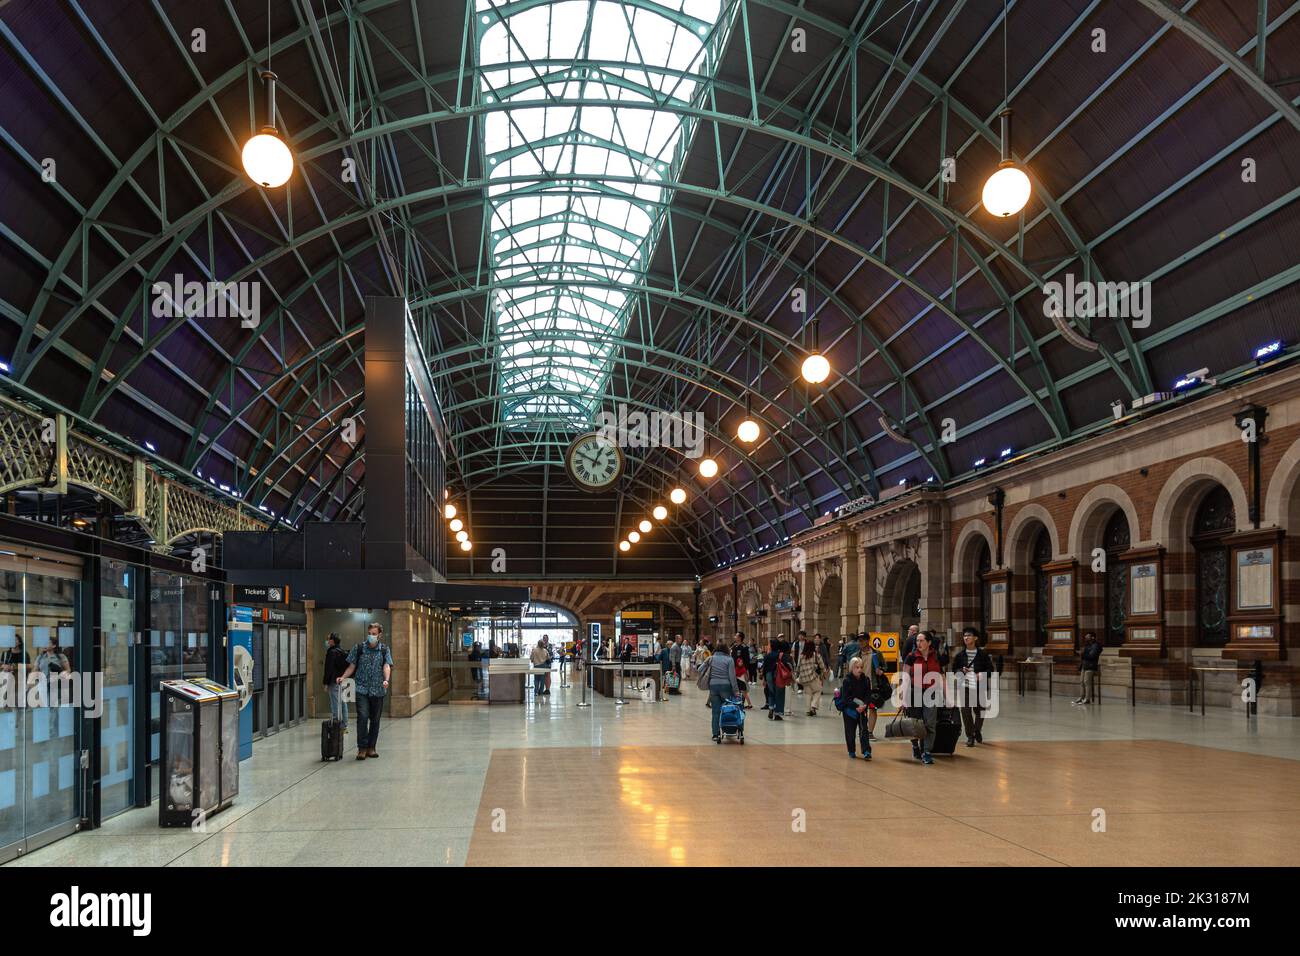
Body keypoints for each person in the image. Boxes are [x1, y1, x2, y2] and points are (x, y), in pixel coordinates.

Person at [336, 622, 393, 760]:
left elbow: (387, 665)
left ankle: (371, 747)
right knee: (362, 717)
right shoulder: (359, 648)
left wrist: (386, 679)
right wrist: (343, 677)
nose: (371, 636)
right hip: (361, 688)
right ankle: (362, 748)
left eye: (374, 634)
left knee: (375, 720)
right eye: (370, 633)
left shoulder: (384, 650)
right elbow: (352, 666)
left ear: (379, 635)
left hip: (378, 690)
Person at [901, 630, 942, 765]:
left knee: (929, 723)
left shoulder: (936, 657)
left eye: (921, 640)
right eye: (917, 641)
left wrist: (949, 696)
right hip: (914, 692)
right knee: (915, 723)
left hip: (932, 692)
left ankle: (927, 751)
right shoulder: (911, 657)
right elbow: (905, 677)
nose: (918, 643)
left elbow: (942, 676)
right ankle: (915, 746)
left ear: (929, 642)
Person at [949, 627, 994, 746]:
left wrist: (981, 674)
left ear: (975, 638)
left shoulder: (983, 654)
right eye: (964, 636)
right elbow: (954, 670)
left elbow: (991, 670)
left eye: (969, 635)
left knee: (980, 711)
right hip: (965, 686)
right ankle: (970, 736)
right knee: (965, 710)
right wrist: (961, 670)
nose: (966, 638)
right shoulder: (960, 655)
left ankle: (977, 730)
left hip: (980, 686)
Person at [838, 656, 873, 759]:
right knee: (850, 732)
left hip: (862, 708)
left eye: (861, 667)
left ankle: (866, 750)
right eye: (857, 667)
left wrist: (865, 705)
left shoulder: (865, 680)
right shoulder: (847, 681)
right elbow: (846, 698)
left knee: (864, 730)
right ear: (851, 668)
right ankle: (851, 750)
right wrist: (856, 707)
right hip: (850, 710)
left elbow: (868, 694)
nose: (859, 670)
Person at [704, 643, 740, 742]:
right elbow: (732, 677)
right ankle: (728, 730)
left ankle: (715, 734)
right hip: (726, 687)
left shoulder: (711, 658)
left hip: (713, 686)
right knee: (728, 709)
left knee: (715, 712)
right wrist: (736, 691)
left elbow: (700, 669)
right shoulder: (729, 659)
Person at [323, 632, 350, 732]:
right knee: (343, 703)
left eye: (328, 639)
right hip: (342, 680)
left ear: (332, 641)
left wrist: (326, 682)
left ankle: (336, 725)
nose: (327, 640)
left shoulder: (331, 652)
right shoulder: (341, 651)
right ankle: (344, 725)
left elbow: (328, 669)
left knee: (335, 704)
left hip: (333, 682)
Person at [796, 639, 828, 715]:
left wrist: (797, 673)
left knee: (808, 693)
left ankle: (808, 710)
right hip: (812, 677)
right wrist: (825, 672)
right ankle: (813, 705)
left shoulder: (801, 655)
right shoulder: (816, 655)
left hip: (803, 678)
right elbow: (822, 665)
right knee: (818, 690)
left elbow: (798, 667)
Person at [1074, 632, 1103, 705]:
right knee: (1081, 682)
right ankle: (1081, 697)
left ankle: (1087, 699)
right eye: (1086, 637)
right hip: (1084, 665)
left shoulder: (1096, 645)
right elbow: (1085, 654)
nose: (1086, 638)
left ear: (1092, 637)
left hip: (1091, 665)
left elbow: (1092, 656)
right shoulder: (1087, 645)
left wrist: (1082, 653)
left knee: (1087, 682)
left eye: (1087, 637)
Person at [764, 640, 788, 721]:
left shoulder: (768, 655)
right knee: (780, 694)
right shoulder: (781, 655)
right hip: (779, 676)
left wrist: (764, 679)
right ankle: (777, 713)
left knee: (771, 692)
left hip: (769, 675)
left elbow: (765, 668)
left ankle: (771, 708)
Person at [731, 642, 753, 709]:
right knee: (741, 693)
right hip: (739, 682)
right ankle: (740, 703)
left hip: (742, 682)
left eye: (741, 662)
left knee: (744, 694)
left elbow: (746, 675)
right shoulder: (736, 668)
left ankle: (749, 704)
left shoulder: (743, 669)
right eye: (739, 662)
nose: (741, 663)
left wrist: (747, 680)